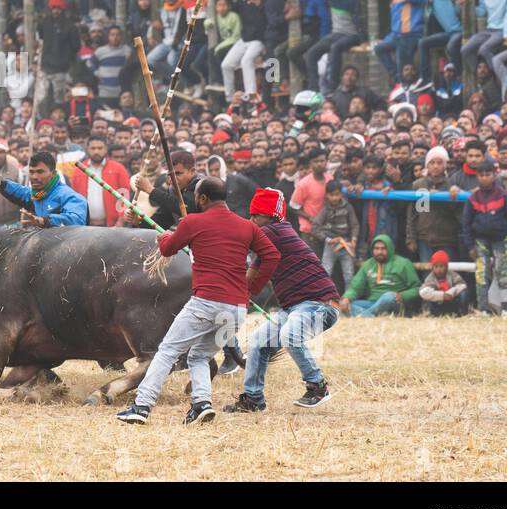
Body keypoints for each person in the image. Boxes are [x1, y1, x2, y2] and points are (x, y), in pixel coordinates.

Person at [116, 176, 280, 425]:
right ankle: (201, 404)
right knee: (199, 356)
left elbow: (167, 249)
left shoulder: (193, 221)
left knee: (168, 351)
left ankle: (142, 406)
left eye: (196, 197)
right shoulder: (247, 226)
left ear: (203, 198)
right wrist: (251, 288)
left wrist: (164, 237)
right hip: (236, 309)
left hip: (205, 302)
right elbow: (272, 255)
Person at [222, 188, 340, 413]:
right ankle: (253, 399)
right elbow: (248, 282)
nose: (251, 220)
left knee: (290, 335)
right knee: (258, 341)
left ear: (270, 217)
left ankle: (318, 387)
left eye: (255, 216)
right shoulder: (267, 247)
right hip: (295, 308)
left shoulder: (275, 231)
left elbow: (238, 240)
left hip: (320, 305)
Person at [460, 159, 507, 314]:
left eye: (487, 174)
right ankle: (483, 309)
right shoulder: (472, 198)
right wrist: (469, 246)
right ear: (477, 177)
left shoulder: (503, 195)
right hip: (480, 241)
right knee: (481, 274)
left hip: (501, 240)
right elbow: (466, 224)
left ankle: (506, 309)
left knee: (502, 273)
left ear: (494, 175)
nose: (484, 178)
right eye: (481, 175)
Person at [0, 151, 87, 229]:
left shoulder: (69, 196)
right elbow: (20, 191)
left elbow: (76, 219)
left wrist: (45, 220)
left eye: (40, 172)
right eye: (31, 172)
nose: (34, 176)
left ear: (53, 174)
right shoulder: (37, 194)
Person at [305, 0, 365, 95]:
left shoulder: (351, 0)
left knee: (335, 48)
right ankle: (314, 88)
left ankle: (332, 86)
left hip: (352, 35)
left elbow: (358, 20)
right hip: (336, 33)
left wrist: (363, 39)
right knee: (311, 54)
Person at [340, 235, 420, 317]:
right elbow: (355, 287)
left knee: (388, 296)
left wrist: (402, 295)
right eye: (376, 248)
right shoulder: (368, 265)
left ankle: (364, 316)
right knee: (348, 305)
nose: (379, 252)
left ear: (390, 248)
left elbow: (417, 288)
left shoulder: (403, 263)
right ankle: (370, 316)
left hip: (395, 303)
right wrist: (347, 298)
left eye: (383, 248)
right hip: (372, 302)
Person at [373, 0, 427, 83]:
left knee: (402, 65)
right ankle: (397, 78)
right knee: (379, 49)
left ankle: (403, 83)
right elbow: (396, 25)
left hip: (410, 35)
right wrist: (385, 39)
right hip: (397, 35)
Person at [69, 133, 132, 226]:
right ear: (87, 149)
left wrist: (121, 221)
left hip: (112, 226)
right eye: (93, 148)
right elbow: (73, 199)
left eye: (100, 148)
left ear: (106, 149)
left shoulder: (119, 169)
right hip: (85, 226)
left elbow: (124, 197)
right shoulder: (78, 170)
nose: (96, 151)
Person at [310, 179, 360, 292]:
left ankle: (347, 301)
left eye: (337, 195)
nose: (334, 198)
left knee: (349, 275)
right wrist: (327, 239)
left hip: (346, 245)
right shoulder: (325, 210)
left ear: (341, 194)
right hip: (331, 245)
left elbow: (355, 225)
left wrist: (354, 240)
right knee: (326, 273)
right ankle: (324, 299)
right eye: (331, 195)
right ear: (327, 195)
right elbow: (314, 227)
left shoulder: (348, 207)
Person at [418, 0, 465, 84]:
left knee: (451, 46)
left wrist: (462, 4)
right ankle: (425, 78)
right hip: (446, 33)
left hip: (460, 31)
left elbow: (466, 11)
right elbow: (427, 17)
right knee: (422, 43)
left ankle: (458, 75)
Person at [419, 250, 469, 316]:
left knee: (464, 293)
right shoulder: (430, 278)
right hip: (437, 304)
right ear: (432, 268)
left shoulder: (452, 275)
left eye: (441, 266)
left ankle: (462, 313)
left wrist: (451, 293)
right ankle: (430, 313)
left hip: (451, 302)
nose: (439, 269)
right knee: (427, 300)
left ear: (446, 267)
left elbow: (463, 285)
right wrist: (442, 295)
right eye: (436, 267)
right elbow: (423, 292)